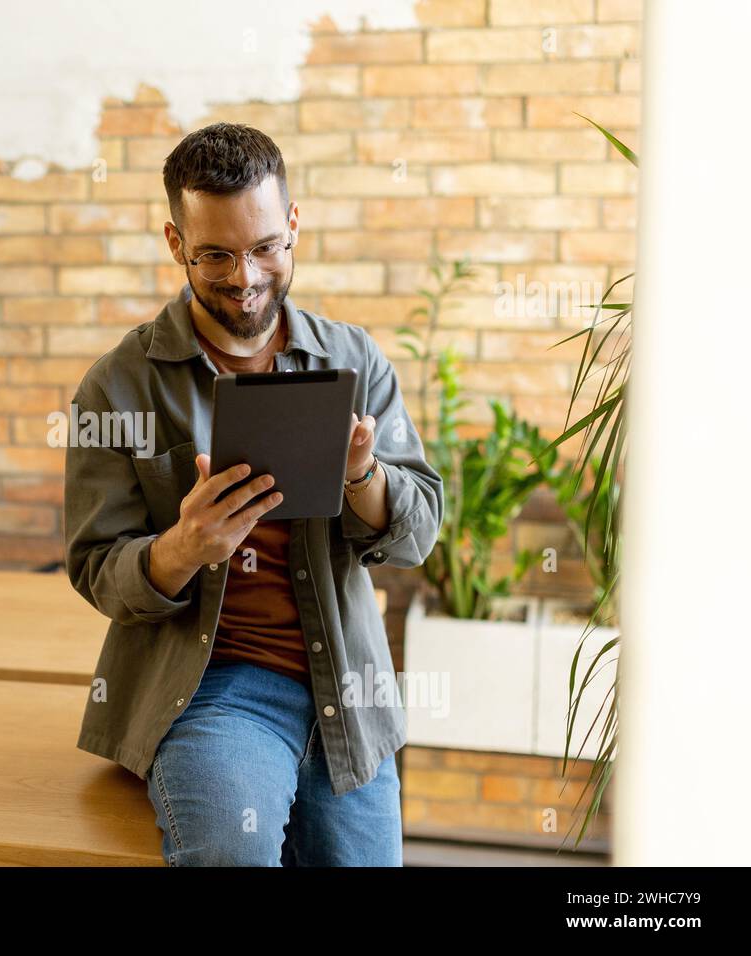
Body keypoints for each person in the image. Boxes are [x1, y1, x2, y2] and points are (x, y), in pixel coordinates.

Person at [63, 123, 444, 866]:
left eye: (266, 246)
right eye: (215, 254)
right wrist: (181, 550)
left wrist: (361, 478)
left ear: (293, 224)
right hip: (212, 691)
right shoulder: (119, 386)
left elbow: (419, 529)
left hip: (346, 683)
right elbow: (94, 569)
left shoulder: (354, 359)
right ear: (176, 244)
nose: (245, 276)